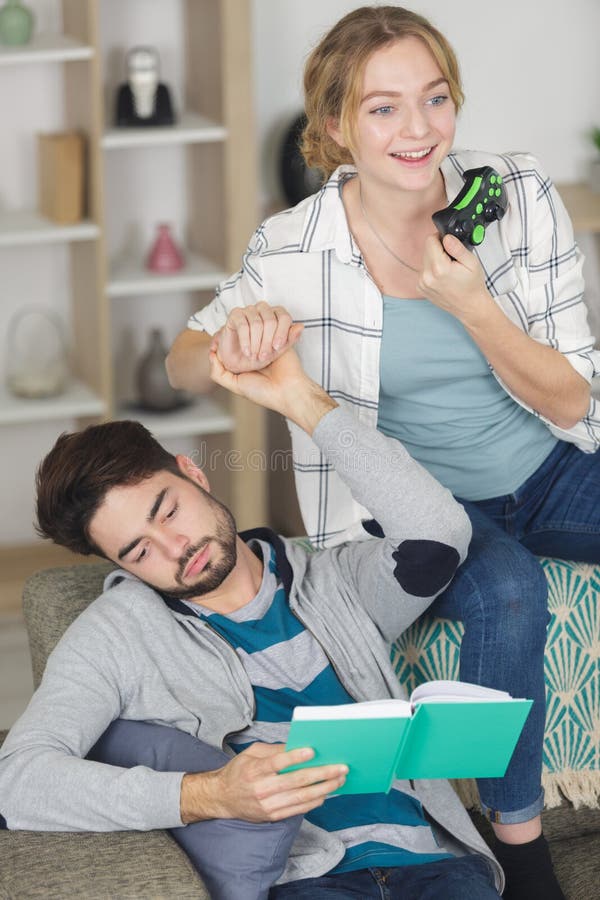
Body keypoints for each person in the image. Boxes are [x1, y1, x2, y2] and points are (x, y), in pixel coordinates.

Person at [166, 6, 600, 899]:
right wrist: (234, 338)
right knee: (509, 589)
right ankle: (519, 850)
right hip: (426, 508)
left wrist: (475, 305)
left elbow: (571, 397)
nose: (420, 131)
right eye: (384, 109)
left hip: (551, 467)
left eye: (435, 100)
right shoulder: (293, 247)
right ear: (334, 127)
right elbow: (181, 361)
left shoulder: (515, 193)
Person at [0, 347, 510, 899]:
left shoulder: (337, 579)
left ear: (193, 472)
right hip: (302, 882)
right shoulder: (115, 635)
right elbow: (17, 782)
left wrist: (301, 399)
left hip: (435, 868)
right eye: (139, 552)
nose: (176, 549)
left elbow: (440, 533)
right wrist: (208, 795)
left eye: (168, 511)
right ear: (121, 566)